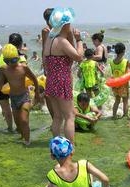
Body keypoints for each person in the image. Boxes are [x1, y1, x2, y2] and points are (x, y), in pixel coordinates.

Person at [43, 7, 84, 142]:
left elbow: (46, 60)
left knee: (57, 116)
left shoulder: (50, 39)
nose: (70, 25)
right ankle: (69, 147)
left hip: (51, 80)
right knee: (70, 116)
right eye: (69, 23)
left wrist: (71, 37)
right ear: (65, 24)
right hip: (62, 81)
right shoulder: (61, 41)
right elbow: (78, 56)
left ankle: (56, 145)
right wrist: (79, 40)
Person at [0, 44, 39, 146]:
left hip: (24, 97)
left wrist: (37, 93)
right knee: (18, 124)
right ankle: (23, 135)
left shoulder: (23, 67)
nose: (11, 63)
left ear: (18, 58)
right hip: (13, 98)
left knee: (24, 120)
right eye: (7, 61)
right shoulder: (4, 69)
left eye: (14, 60)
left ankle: (27, 143)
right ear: (4, 60)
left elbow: (34, 79)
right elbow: (0, 83)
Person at [47, 136, 112, 187]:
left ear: (52, 157)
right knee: (89, 175)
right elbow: (105, 180)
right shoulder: (84, 164)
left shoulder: (52, 175)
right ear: (72, 151)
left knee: (52, 182)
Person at [109, 42, 130, 118]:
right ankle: (125, 116)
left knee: (117, 100)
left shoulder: (111, 62)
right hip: (123, 84)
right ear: (123, 51)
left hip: (115, 84)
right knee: (125, 101)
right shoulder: (125, 61)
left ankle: (114, 115)